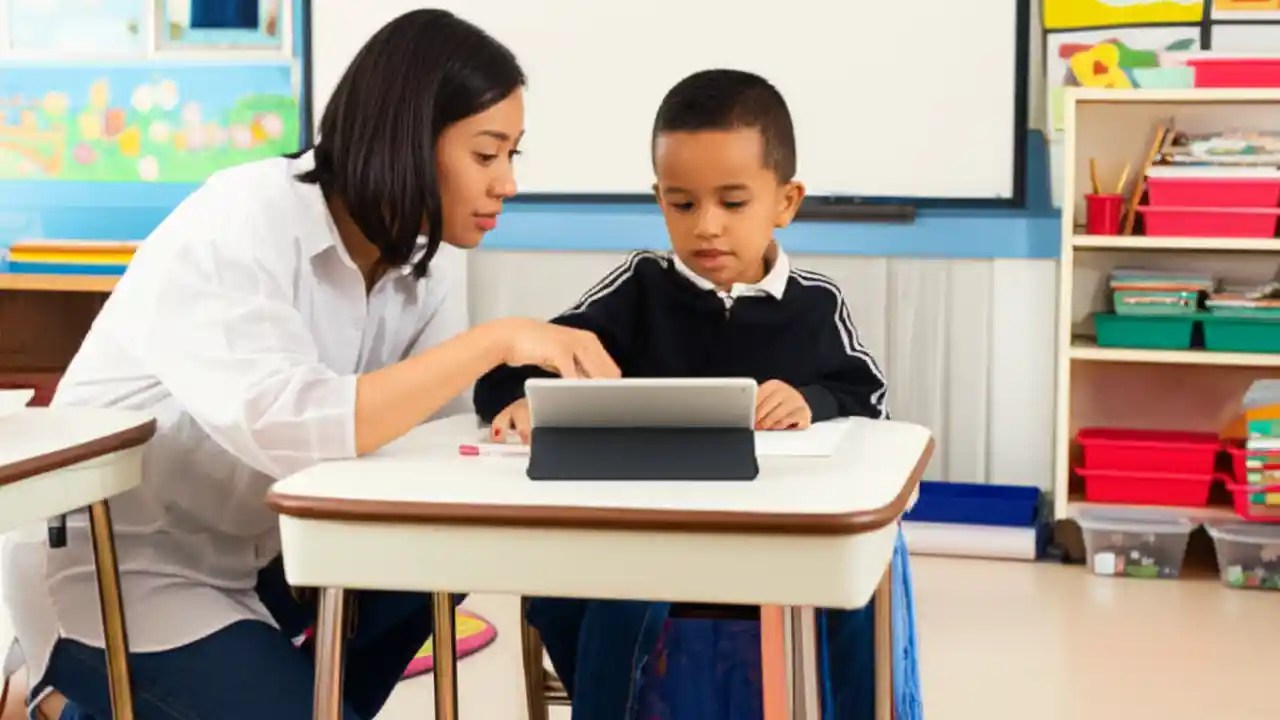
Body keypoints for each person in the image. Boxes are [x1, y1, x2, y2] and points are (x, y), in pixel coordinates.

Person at [1, 10, 618, 720]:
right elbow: (292, 427)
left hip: (261, 560)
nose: (507, 182)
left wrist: (509, 418)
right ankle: (61, 689)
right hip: (124, 573)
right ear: (409, 140)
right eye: (486, 155)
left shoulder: (427, 261)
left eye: (514, 154)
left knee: (437, 565)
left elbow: (422, 447)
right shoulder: (246, 216)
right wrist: (495, 342)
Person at [473, 69, 896, 718]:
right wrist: (522, 399)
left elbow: (868, 398)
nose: (706, 228)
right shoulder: (639, 289)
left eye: (733, 202)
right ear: (659, 199)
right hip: (647, 539)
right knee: (588, 591)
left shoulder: (814, 304)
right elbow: (517, 365)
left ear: (785, 202)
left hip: (776, 541)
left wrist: (813, 399)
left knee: (860, 579)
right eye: (682, 203)